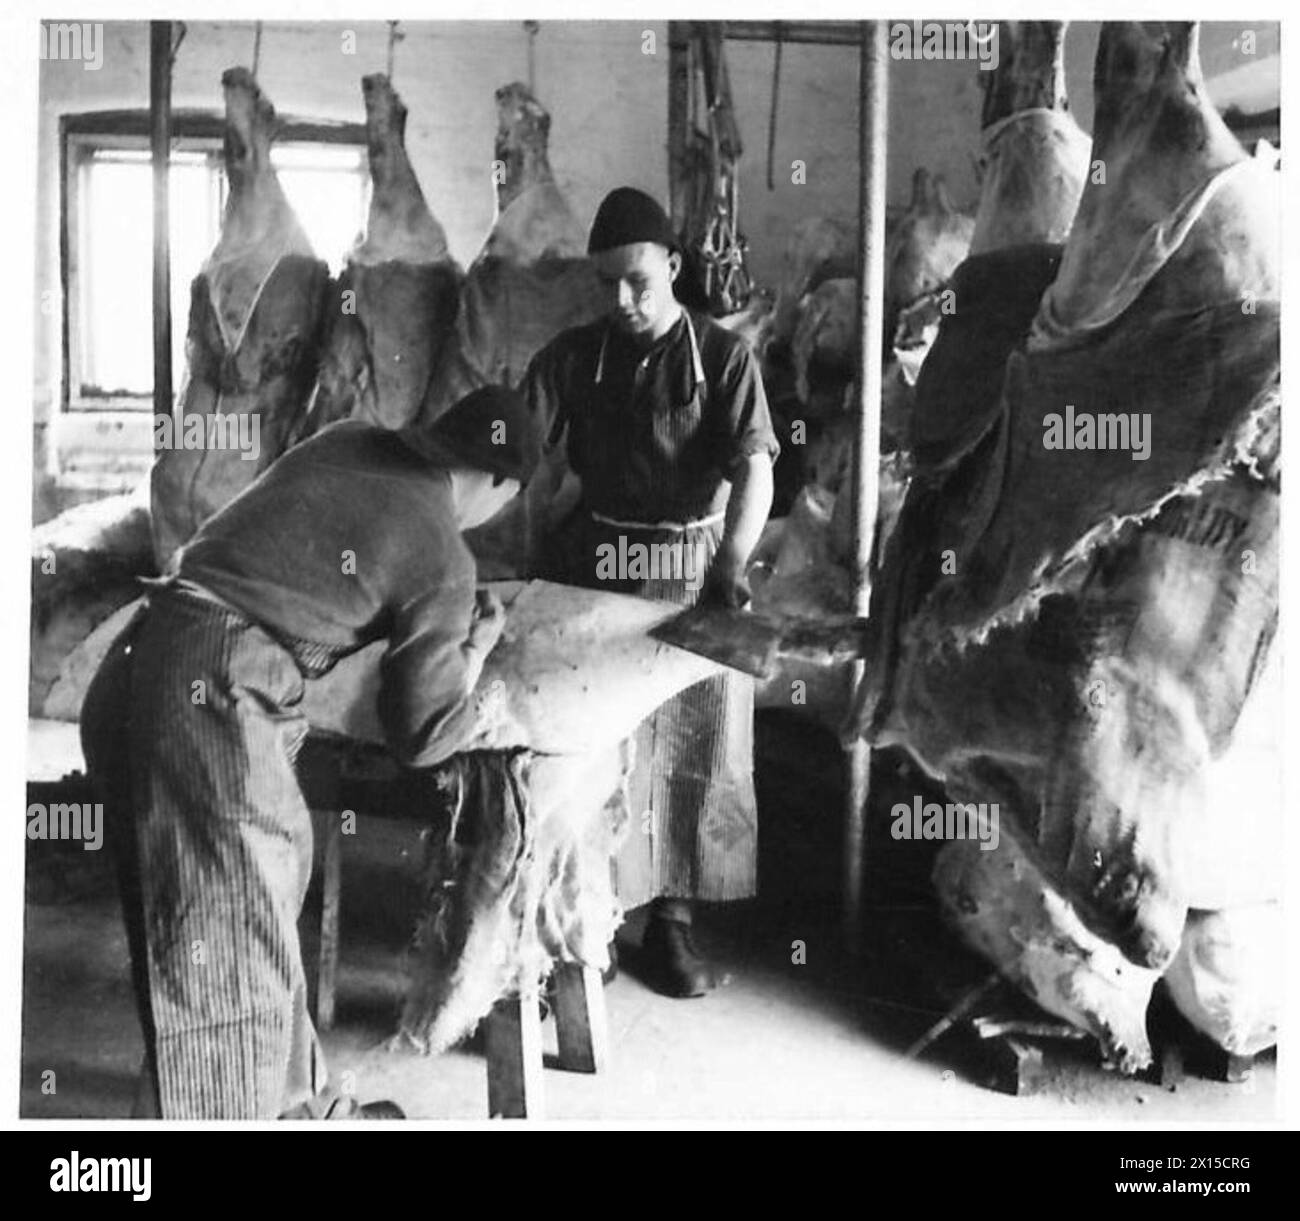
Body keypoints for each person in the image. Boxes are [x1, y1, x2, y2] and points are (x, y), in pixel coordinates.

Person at [80, 386, 540, 1119]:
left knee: (205, 916)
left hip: (135, 660)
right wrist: (474, 647)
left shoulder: (349, 437)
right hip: (208, 691)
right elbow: (421, 734)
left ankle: (295, 1105)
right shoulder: (442, 553)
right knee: (234, 928)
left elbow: (293, 566)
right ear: (502, 483)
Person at [522, 187, 778, 998]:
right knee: (598, 746)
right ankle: (587, 917)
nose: (622, 300)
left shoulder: (724, 356)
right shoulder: (571, 356)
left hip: (692, 570)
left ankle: (672, 926)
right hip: (594, 566)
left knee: (692, 742)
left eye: (636, 279)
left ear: (671, 265)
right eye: (607, 285)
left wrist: (732, 565)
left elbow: (757, 469)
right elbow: (513, 450)